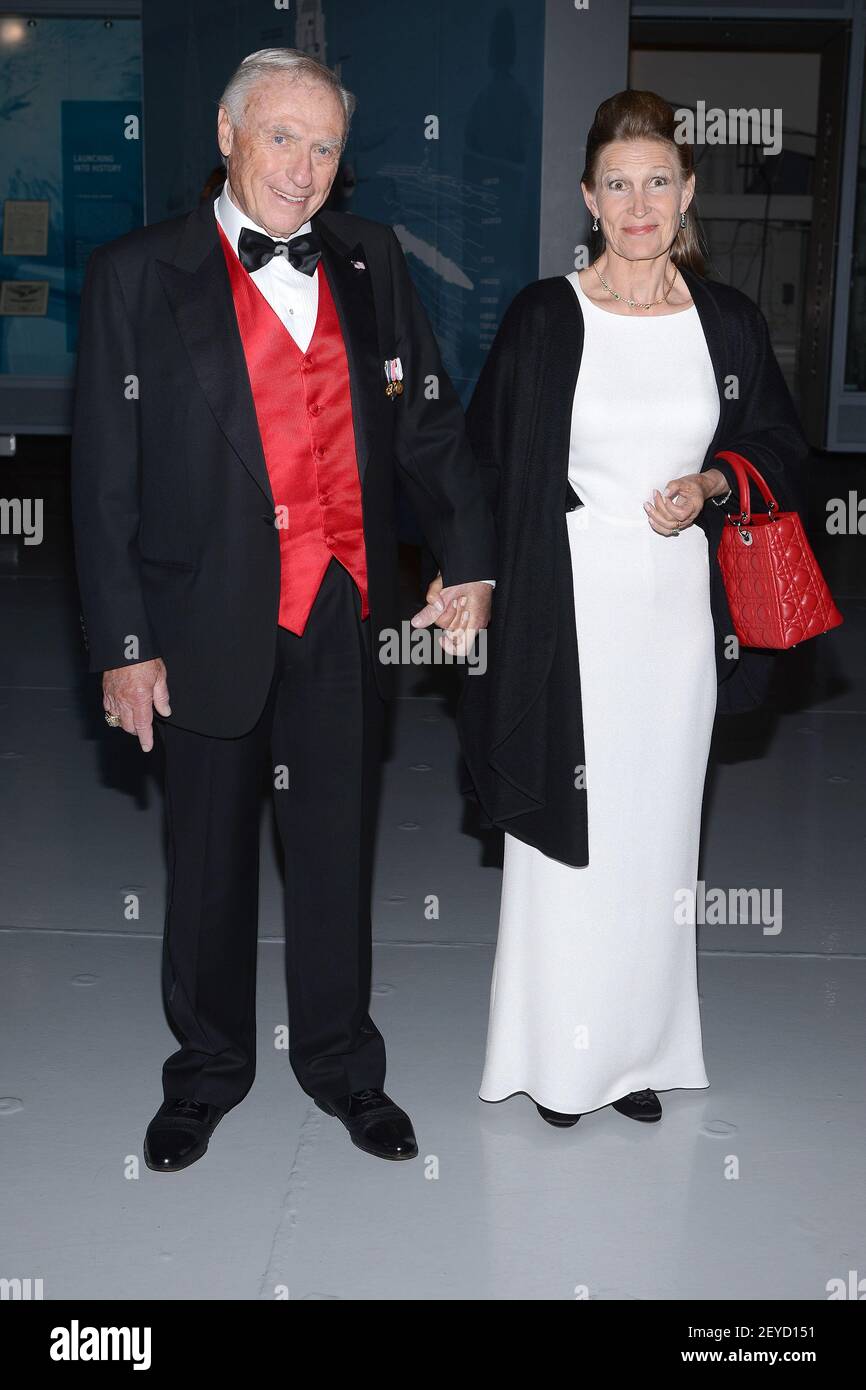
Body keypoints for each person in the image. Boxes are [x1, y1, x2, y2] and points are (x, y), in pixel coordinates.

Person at [71, 48, 495, 1169]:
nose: (302, 170)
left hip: (342, 611)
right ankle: (207, 1071)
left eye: (323, 146)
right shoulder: (135, 274)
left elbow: (427, 427)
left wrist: (468, 556)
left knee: (333, 854)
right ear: (226, 136)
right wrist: (125, 646)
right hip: (202, 619)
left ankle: (343, 1065)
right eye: (279, 138)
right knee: (206, 864)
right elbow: (102, 480)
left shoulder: (372, 259)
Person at [454, 89, 808, 1128]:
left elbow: (782, 452)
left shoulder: (724, 323)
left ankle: (637, 1052)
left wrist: (707, 488)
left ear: (686, 191)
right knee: (567, 835)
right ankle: (559, 1060)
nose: (639, 202)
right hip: (563, 611)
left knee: (655, 839)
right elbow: (478, 463)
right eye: (618, 183)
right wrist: (465, 578)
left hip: (674, 618)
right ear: (587, 199)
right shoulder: (543, 315)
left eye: (657, 181)